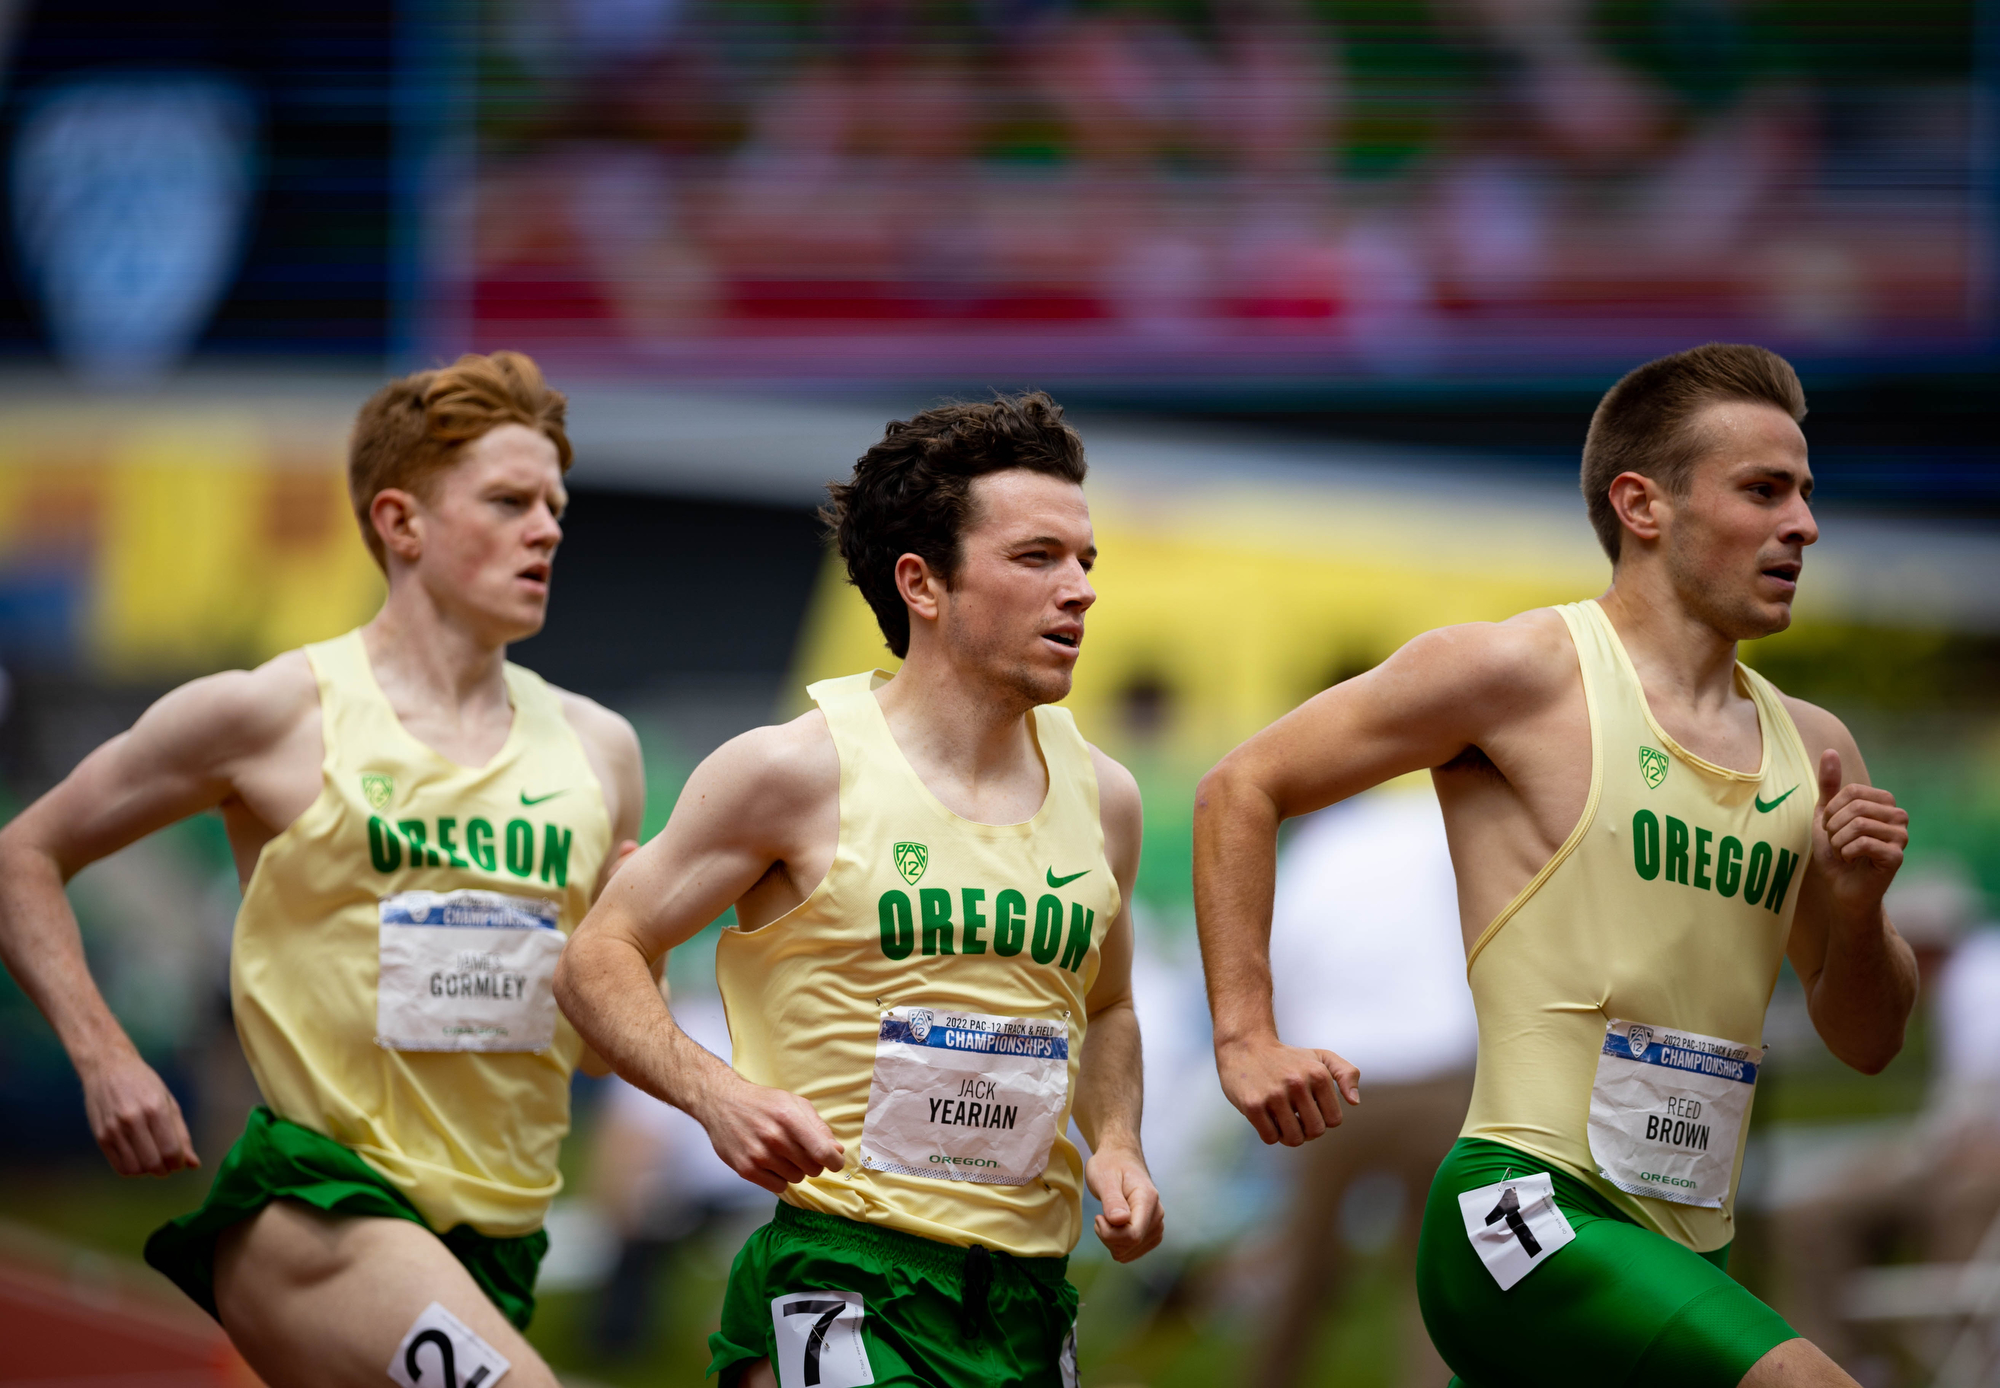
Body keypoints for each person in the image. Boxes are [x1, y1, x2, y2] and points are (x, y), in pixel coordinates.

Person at [1192, 343, 1916, 1388]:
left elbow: (1866, 1038)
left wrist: (1854, 909)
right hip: (1523, 1209)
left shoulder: (1811, 745)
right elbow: (1240, 785)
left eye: (1803, 492)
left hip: (1681, 1241)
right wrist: (1244, 1032)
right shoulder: (1514, 671)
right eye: (1761, 490)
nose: (1800, 524)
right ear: (1640, 505)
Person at [0, 352, 643, 1388]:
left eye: (555, 504)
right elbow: (21, 853)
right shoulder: (271, 714)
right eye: (510, 500)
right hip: (321, 1204)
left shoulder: (599, 748)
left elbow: (594, 1055)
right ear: (401, 522)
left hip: (496, 1236)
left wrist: (630, 962)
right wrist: (105, 1054)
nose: (547, 528)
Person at [555, 392, 1164, 1388]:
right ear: (921, 583)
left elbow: (1107, 1008)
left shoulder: (1106, 797)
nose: (1079, 589)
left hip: (1026, 1291)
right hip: (845, 1267)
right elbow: (595, 955)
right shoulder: (789, 772)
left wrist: (1121, 1142)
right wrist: (717, 1095)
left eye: (1084, 560)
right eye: (1037, 556)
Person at [1258, 788, 1477, 1388]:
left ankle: (1271, 1375)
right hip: (1436, 1069)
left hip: (1329, 1075)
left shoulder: (1317, 845)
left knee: (1302, 1263)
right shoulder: (1440, 827)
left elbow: (1284, 957)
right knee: (1434, 1273)